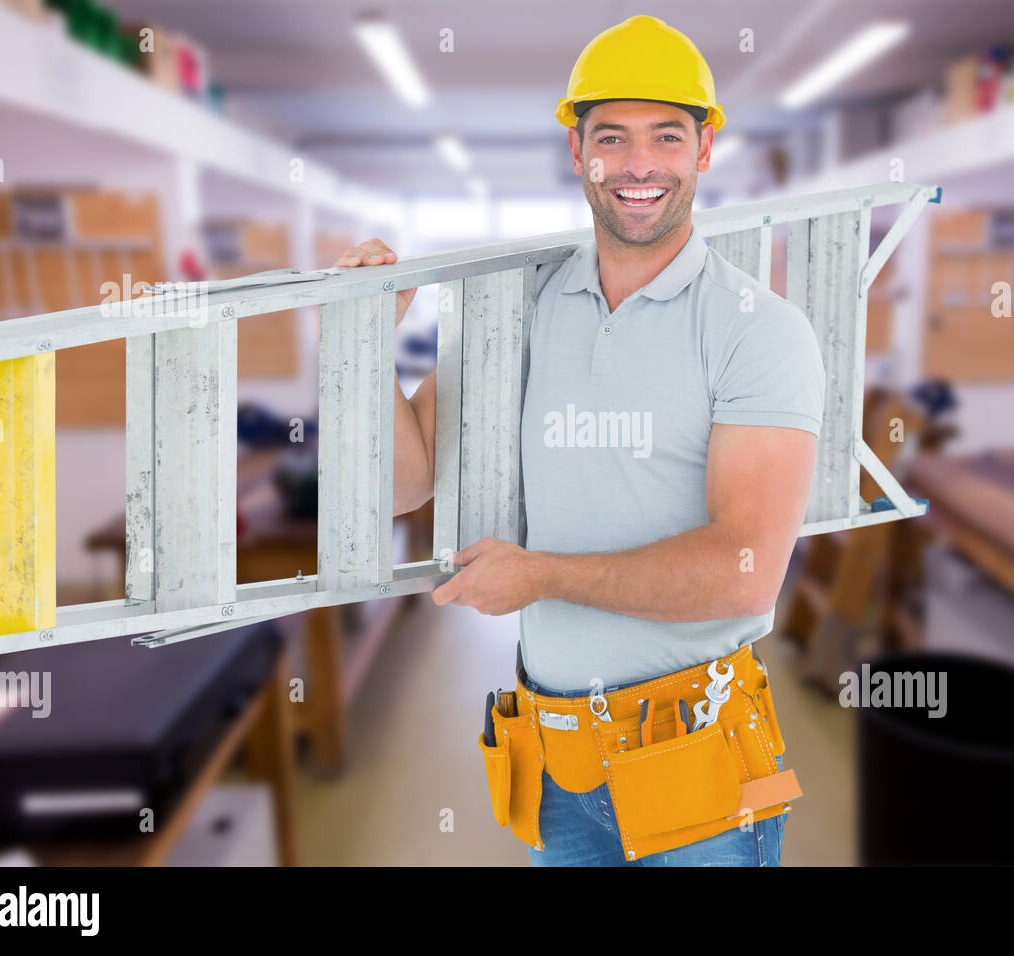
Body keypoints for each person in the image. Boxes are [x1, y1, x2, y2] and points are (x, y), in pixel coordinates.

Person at [336, 15, 825, 866]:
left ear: (705, 149)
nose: (639, 165)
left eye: (667, 136)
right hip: (559, 762)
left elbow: (745, 573)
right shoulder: (519, 312)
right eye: (613, 138)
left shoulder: (759, 331)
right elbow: (405, 485)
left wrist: (543, 577)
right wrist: (368, 346)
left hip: (697, 773)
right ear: (577, 150)